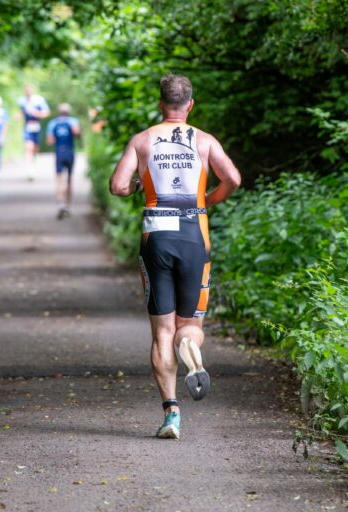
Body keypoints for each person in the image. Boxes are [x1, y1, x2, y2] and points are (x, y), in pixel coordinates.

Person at [109, 74, 241, 440]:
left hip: (157, 237)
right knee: (190, 325)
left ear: (160, 104)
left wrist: (138, 185)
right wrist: (207, 202)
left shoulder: (143, 140)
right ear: (190, 105)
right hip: (194, 236)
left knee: (162, 332)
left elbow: (118, 186)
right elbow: (233, 178)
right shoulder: (205, 141)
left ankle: (171, 414)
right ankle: (189, 346)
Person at [45, 103, 81, 218]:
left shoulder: (53, 123)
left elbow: (49, 141)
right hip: (70, 152)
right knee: (69, 179)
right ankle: (68, 205)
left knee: (59, 178)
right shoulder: (73, 121)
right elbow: (77, 134)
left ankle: (60, 204)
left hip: (59, 152)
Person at [18, 84, 50, 178]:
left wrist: (37, 113)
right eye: (26, 90)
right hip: (27, 126)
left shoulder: (39, 100)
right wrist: (19, 116)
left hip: (36, 125)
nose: (28, 92)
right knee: (28, 147)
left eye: (30, 90)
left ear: (32, 91)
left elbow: (46, 112)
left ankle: (33, 163)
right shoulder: (21, 101)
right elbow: (21, 112)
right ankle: (29, 169)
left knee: (35, 148)